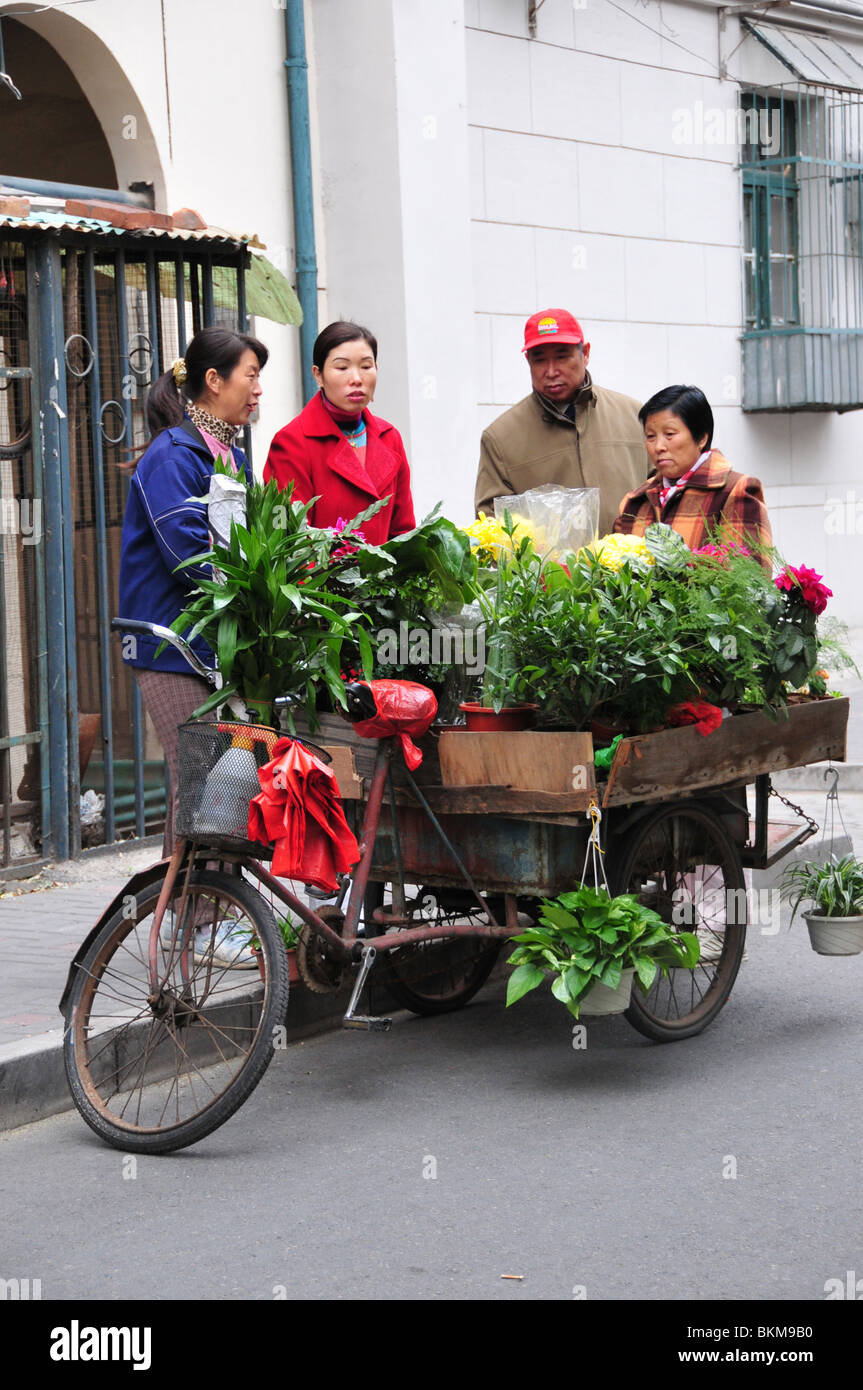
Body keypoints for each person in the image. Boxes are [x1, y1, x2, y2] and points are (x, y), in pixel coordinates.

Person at [118, 326, 268, 885]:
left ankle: (192, 906)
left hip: (213, 644)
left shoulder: (231, 455)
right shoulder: (171, 456)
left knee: (215, 779)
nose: (258, 390)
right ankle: (193, 913)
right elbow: (191, 556)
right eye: (250, 376)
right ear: (214, 380)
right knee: (199, 778)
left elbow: (246, 547)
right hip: (170, 642)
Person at [474, 308, 647, 537]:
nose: (551, 371)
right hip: (549, 573)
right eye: (540, 360)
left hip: (636, 571)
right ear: (528, 361)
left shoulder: (636, 417)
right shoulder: (500, 438)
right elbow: (491, 526)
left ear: (585, 353)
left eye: (562, 357)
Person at [263, 320, 415, 543]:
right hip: (320, 577)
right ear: (318, 375)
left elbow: (404, 533)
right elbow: (286, 541)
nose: (356, 379)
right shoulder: (292, 442)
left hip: (385, 578)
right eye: (342, 368)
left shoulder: (389, 437)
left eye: (366, 366)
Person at [613, 384, 772, 561]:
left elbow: (749, 576)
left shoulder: (735, 491)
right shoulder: (634, 501)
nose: (658, 447)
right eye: (651, 436)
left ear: (702, 437)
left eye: (670, 434)